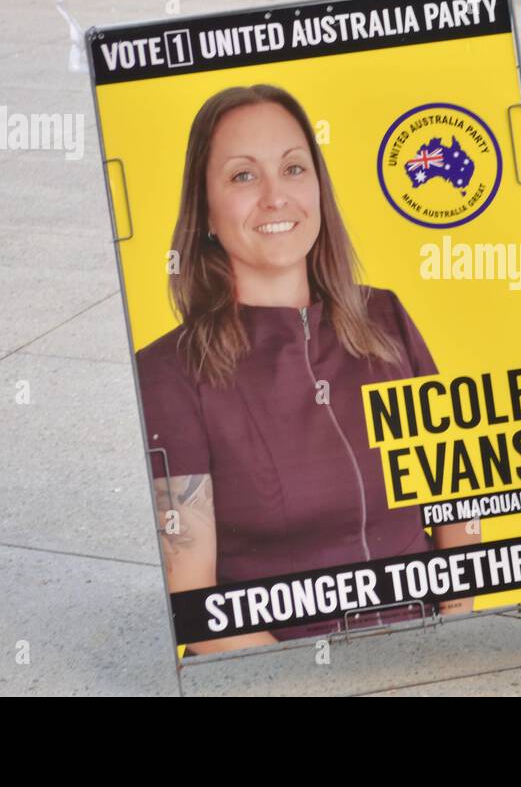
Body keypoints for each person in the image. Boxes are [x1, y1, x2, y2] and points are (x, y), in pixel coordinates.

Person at [137, 84, 478, 654]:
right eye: (243, 177)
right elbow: (191, 595)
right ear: (207, 214)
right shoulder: (169, 373)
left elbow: (455, 504)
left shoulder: (386, 317)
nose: (276, 197)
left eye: (293, 168)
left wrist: (449, 634)